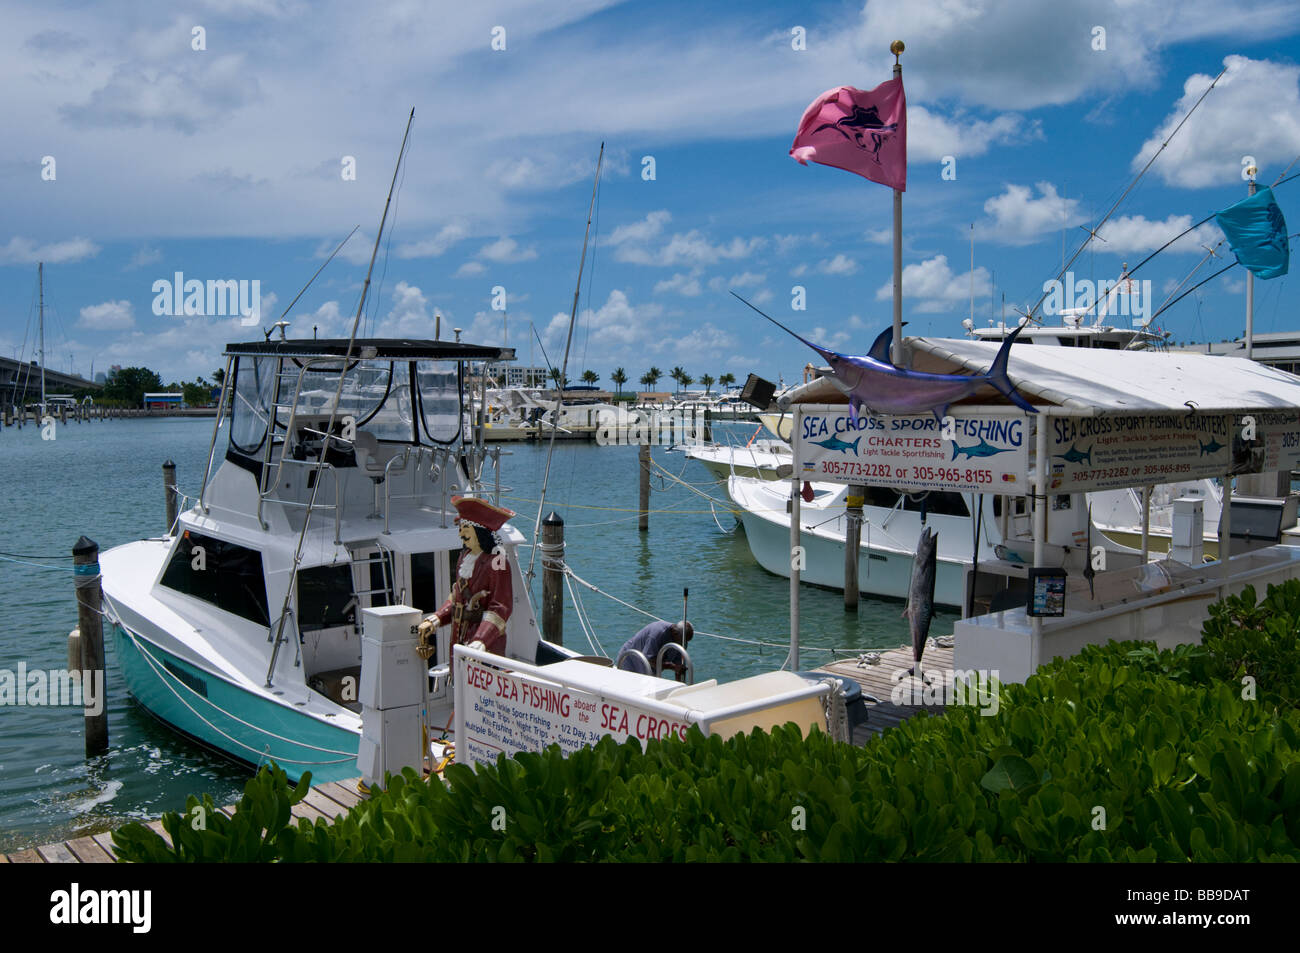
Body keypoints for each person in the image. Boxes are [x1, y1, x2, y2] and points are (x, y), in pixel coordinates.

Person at [421, 496, 515, 658]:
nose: (461, 534)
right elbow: (457, 595)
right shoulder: (464, 557)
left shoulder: (497, 561)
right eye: (460, 528)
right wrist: (437, 618)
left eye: (466, 528)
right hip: (459, 637)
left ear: (479, 532)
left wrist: (481, 640)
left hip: (484, 645)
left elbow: (501, 606)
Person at [617, 620, 693, 679]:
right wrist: (672, 667)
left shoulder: (680, 640)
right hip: (630, 658)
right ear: (675, 633)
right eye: (682, 640)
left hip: (650, 666)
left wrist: (679, 684)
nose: (683, 644)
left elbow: (678, 668)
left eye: (686, 641)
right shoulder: (657, 633)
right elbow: (649, 660)